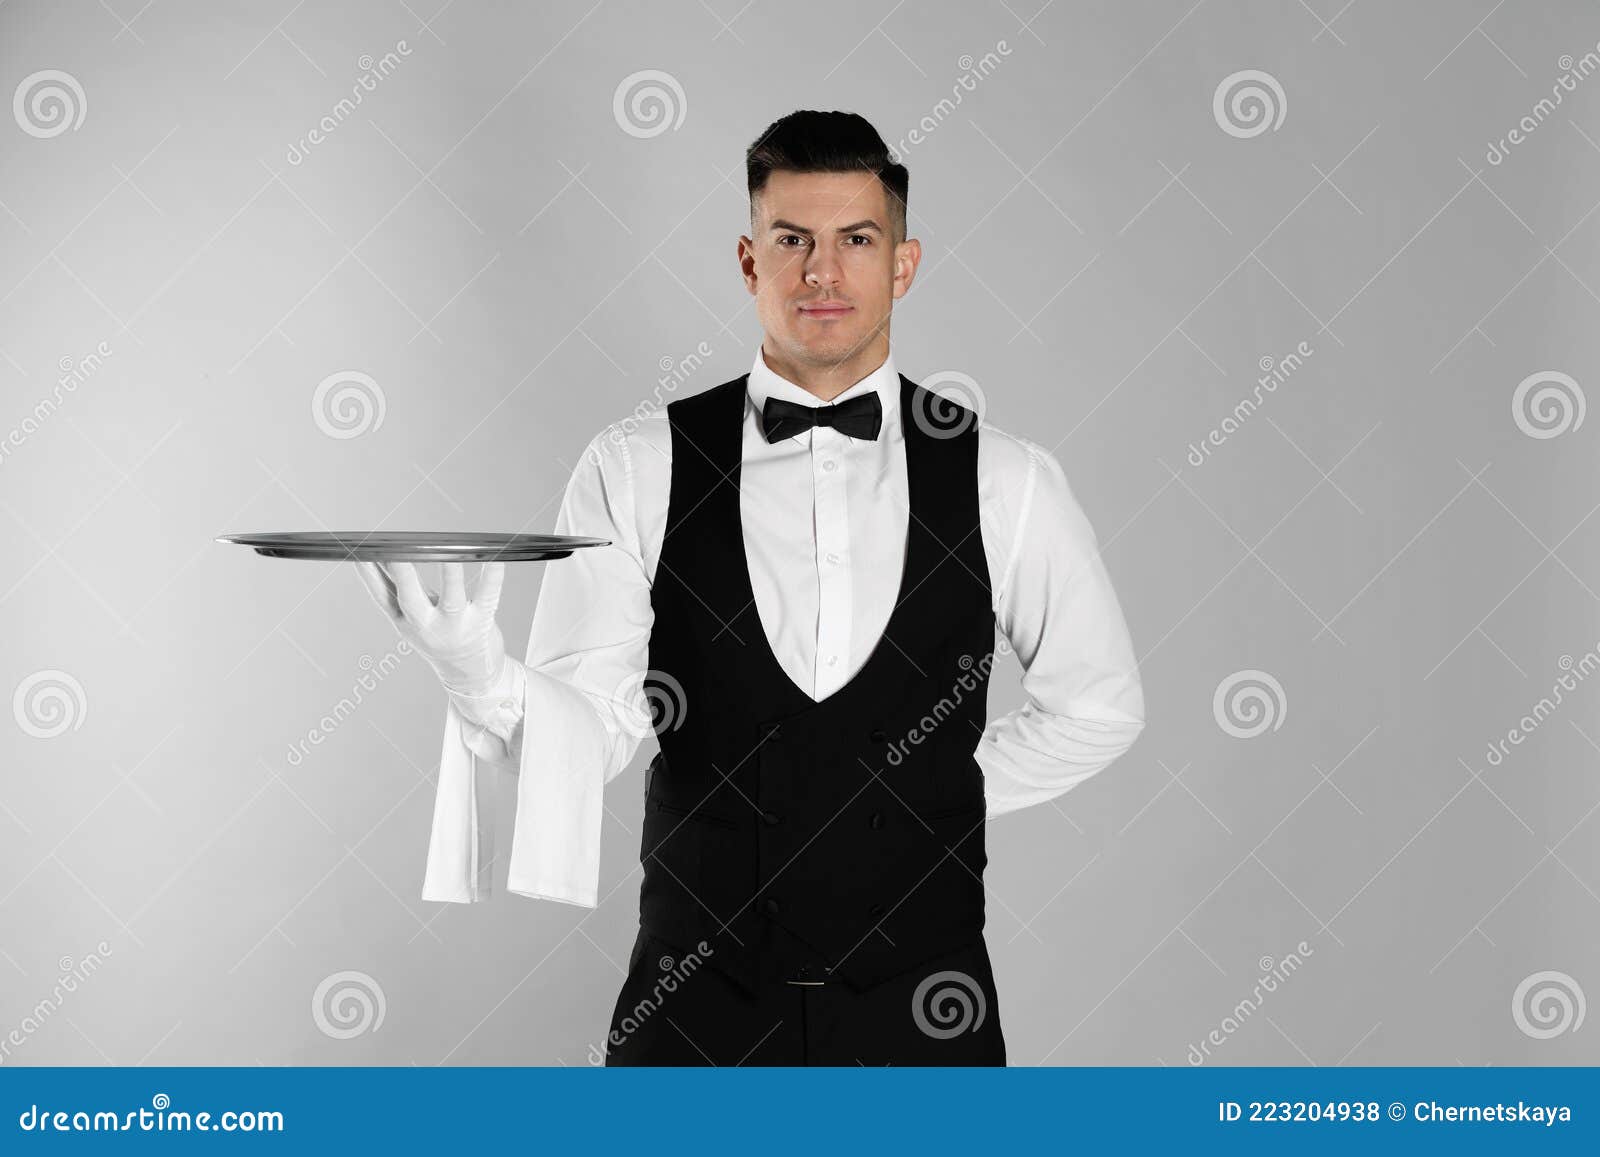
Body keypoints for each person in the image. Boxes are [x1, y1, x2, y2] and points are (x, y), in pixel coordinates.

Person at [355, 109, 1145, 1066]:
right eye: (792, 240)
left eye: (857, 240)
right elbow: (591, 733)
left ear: (903, 264)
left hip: (927, 1012)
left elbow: (1100, 706)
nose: (823, 271)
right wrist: (478, 674)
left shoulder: (1003, 476)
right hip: (692, 1013)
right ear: (747, 259)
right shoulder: (636, 466)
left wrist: (931, 790)